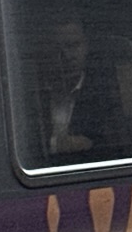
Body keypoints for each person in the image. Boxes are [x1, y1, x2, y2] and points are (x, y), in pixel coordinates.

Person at [39, 17, 126, 161]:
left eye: (73, 46)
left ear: (87, 47)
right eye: (57, 49)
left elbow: (116, 144)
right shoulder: (31, 97)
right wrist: (56, 145)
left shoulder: (104, 93)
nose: (66, 56)